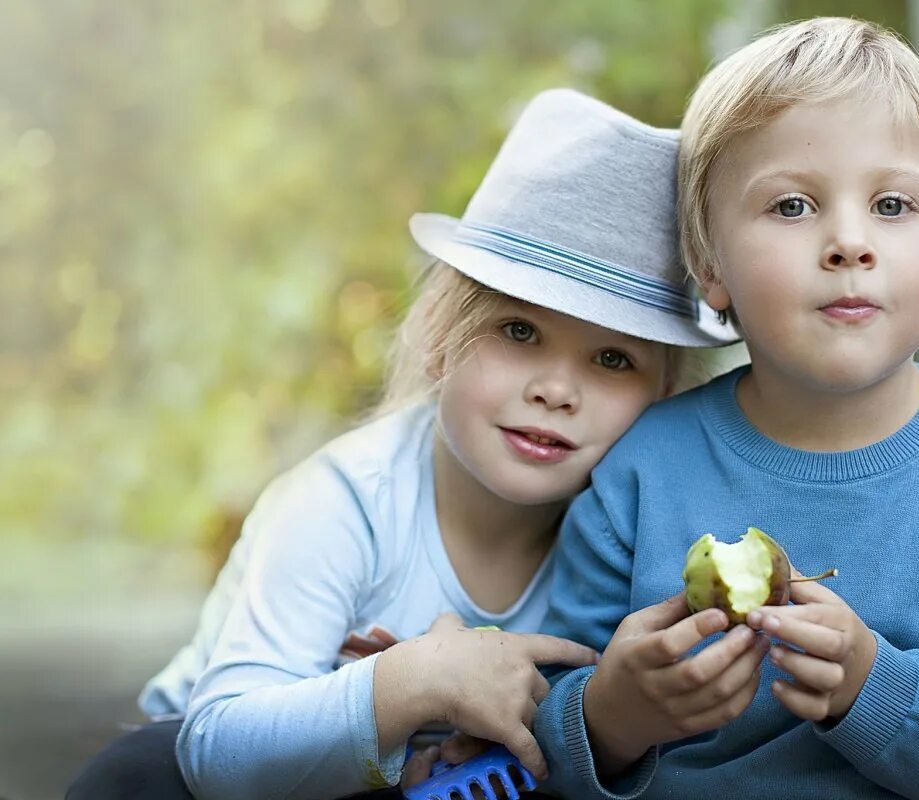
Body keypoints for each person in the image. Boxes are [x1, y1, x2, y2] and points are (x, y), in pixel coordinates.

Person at [65, 87, 737, 800]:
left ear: (662, 399)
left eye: (612, 360)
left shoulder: (627, 541)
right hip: (218, 776)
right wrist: (417, 681)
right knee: (141, 774)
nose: (556, 389)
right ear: (438, 338)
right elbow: (218, 752)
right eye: (518, 332)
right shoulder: (345, 501)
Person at [532, 18, 919, 800]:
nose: (848, 242)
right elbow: (537, 725)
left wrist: (877, 692)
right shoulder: (638, 474)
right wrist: (613, 717)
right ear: (711, 265)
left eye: (894, 204)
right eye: (795, 206)